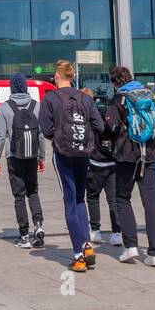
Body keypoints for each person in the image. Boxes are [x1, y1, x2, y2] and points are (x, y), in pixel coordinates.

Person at [39, 59, 103, 272]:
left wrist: (60, 137)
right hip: (84, 153)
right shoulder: (85, 98)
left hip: (63, 154)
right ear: (72, 76)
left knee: (70, 202)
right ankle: (87, 246)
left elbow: (46, 128)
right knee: (80, 199)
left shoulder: (50, 98)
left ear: (57, 76)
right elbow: (99, 125)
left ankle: (78, 255)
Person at [106, 66, 155, 267]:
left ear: (115, 82)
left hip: (126, 157)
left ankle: (131, 246)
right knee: (150, 202)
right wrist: (153, 141)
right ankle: (154, 253)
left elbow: (109, 127)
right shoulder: (147, 96)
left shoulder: (119, 99)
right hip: (148, 156)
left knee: (122, 198)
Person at [0, 73, 46, 248]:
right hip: (32, 155)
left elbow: (0, 137)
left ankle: (24, 236)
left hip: (13, 156)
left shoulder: (4, 107)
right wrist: (42, 157)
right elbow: (41, 136)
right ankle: (38, 225)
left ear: (11, 87)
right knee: (33, 191)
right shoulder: (36, 106)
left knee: (19, 196)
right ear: (25, 86)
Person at [86, 88, 122, 248]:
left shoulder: (89, 117)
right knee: (113, 199)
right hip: (112, 163)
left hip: (95, 163)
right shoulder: (110, 114)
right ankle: (117, 233)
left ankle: (95, 231)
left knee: (93, 197)